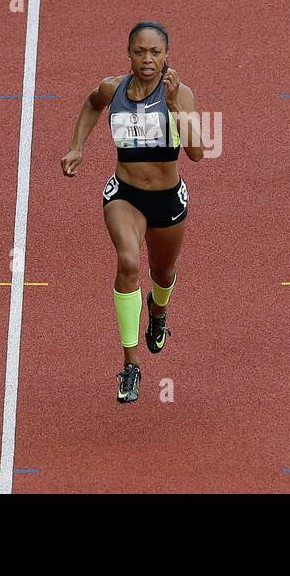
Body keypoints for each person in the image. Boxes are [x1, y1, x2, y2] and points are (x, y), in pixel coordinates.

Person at [61, 22, 205, 403]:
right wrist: (78, 147)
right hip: (124, 195)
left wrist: (175, 107)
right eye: (140, 51)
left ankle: (158, 313)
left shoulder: (181, 93)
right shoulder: (113, 88)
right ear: (129, 53)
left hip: (167, 199)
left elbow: (198, 152)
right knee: (127, 262)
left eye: (155, 52)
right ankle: (131, 365)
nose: (147, 59)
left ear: (166, 56)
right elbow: (92, 103)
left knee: (163, 272)